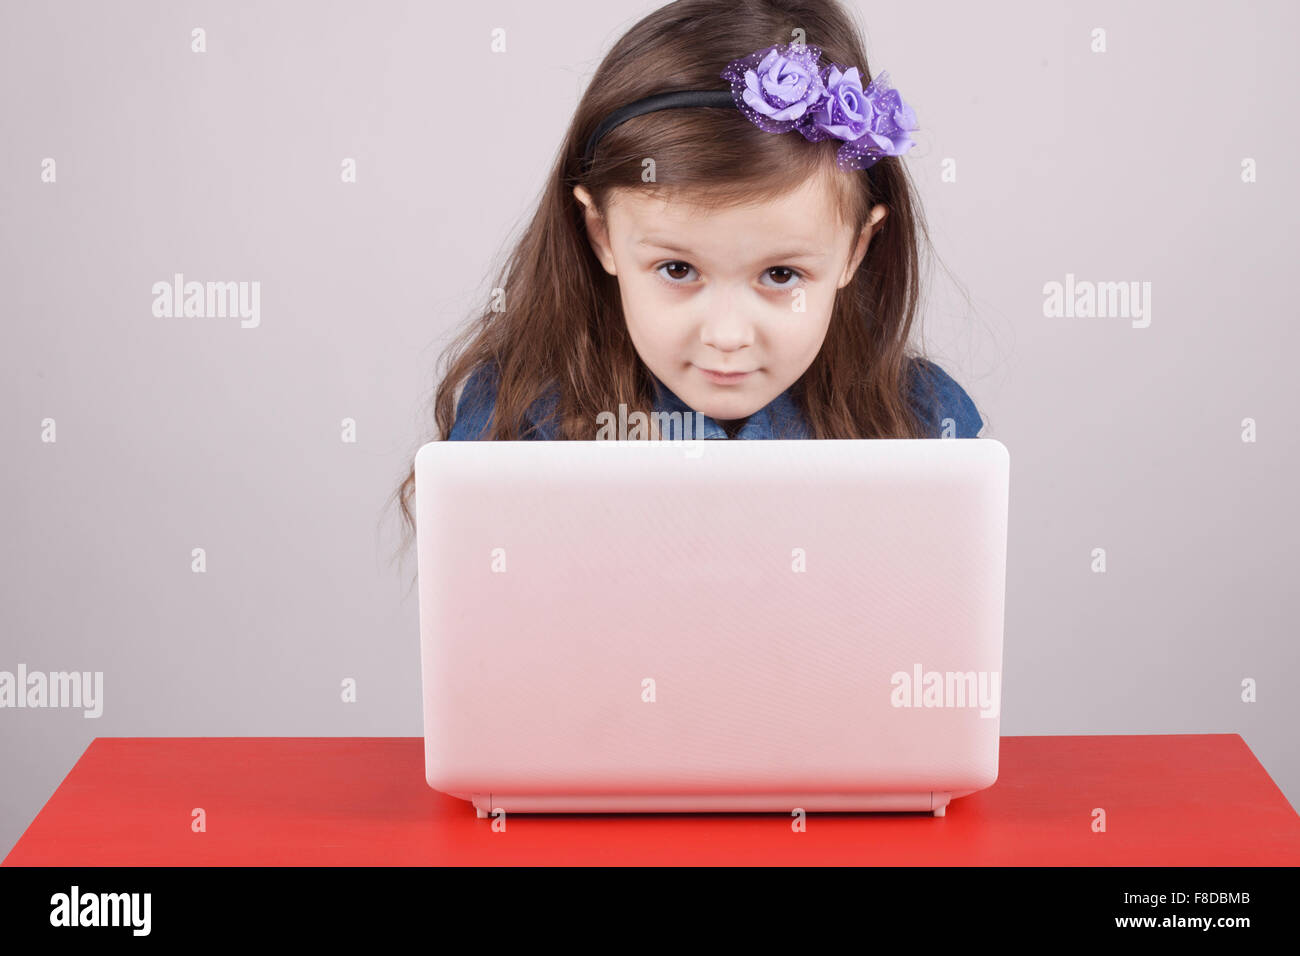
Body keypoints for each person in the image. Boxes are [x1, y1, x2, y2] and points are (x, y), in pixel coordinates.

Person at [394, 0, 985, 536]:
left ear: (855, 250)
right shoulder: (520, 418)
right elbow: (490, 631)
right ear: (601, 235)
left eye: (780, 276)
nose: (726, 336)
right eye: (677, 269)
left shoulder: (925, 422)